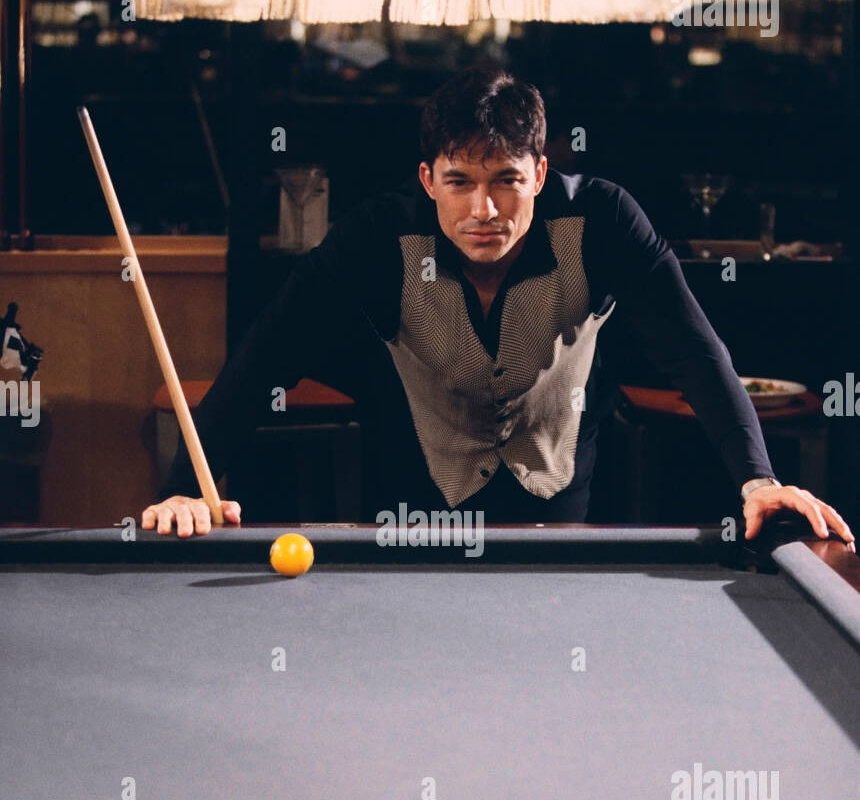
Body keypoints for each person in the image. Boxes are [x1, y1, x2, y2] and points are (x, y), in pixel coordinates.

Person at [143, 67, 854, 550]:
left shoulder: (604, 220)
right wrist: (184, 489)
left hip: (559, 538)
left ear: (541, 173)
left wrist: (756, 477)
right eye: (459, 181)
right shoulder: (375, 237)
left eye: (508, 180)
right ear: (427, 179)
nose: (483, 209)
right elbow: (268, 354)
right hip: (408, 534)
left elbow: (694, 354)